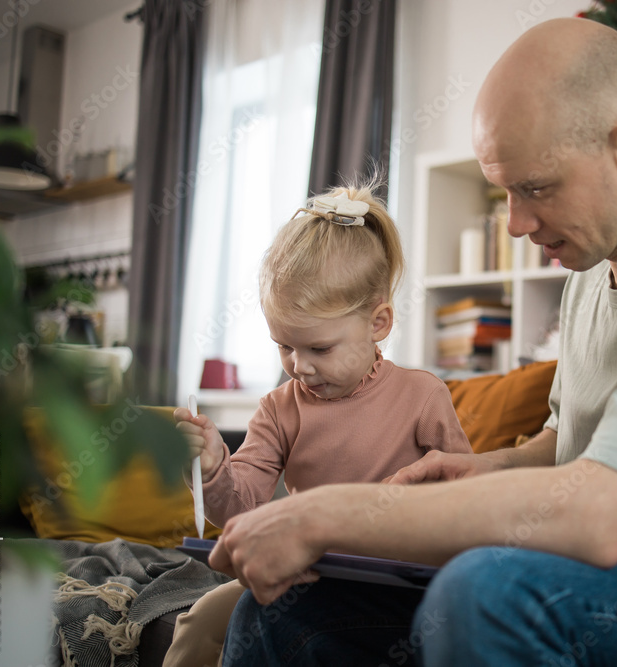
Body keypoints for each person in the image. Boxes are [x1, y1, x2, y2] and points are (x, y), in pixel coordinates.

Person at [212, 17, 617, 667]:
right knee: (280, 611)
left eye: (535, 188)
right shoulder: (591, 278)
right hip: (593, 586)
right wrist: (488, 467)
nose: (515, 223)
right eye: (504, 191)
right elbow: (567, 444)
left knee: (486, 590)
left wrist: (321, 516)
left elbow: (598, 511)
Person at [163, 182, 473, 667]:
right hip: (304, 576)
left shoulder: (423, 396)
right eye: (284, 346)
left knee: (264, 621)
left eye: (319, 349)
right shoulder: (279, 408)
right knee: (200, 621)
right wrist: (210, 468)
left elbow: (466, 501)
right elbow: (240, 506)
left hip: (398, 591)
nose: (298, 366)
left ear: (379, 324)